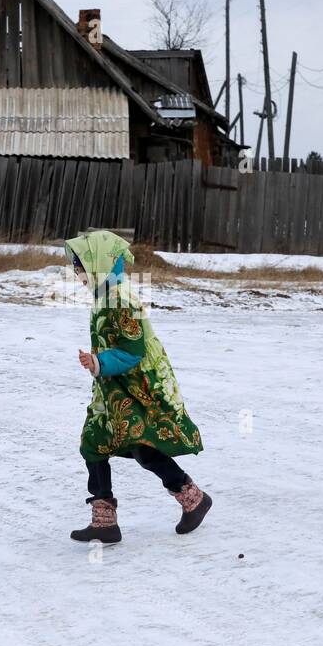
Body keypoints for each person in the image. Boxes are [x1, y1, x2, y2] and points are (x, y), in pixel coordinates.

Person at [63, 230, 210, 544]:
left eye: (81, 269)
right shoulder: (105, 294)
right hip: (113, 390)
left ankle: (192, 498)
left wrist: (99, 362)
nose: (78, 276)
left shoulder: (120, 298)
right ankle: (104, 521)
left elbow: (133, 350)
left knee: (144, 447)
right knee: (94, 442)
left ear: (98, 265)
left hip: (138, 387)